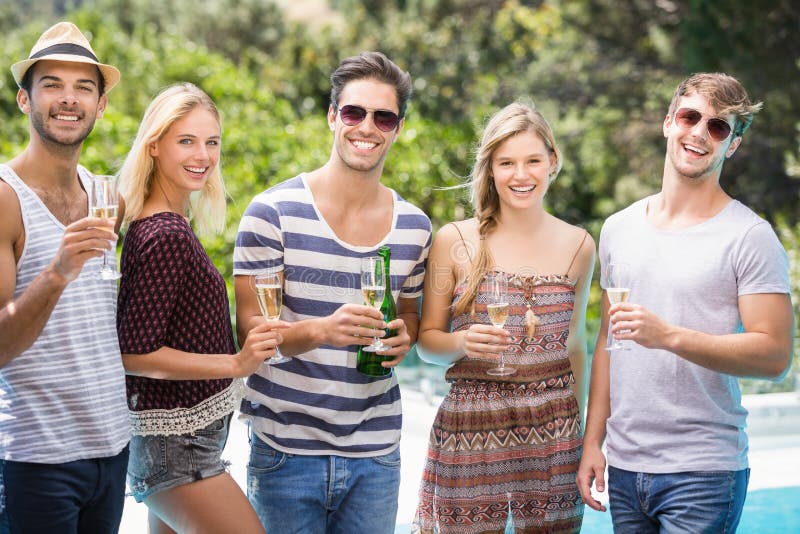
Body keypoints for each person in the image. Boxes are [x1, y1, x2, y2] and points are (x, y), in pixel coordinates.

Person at [576, 73, 794, 533]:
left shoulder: (750, 237)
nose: (699, 132)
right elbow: (607, 345)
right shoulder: (619, 228)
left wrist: (670, 336)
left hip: (704, 471)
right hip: (626, 467)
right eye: (690, 116)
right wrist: (593, 440)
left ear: (731, 146)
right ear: (668, 122)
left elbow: (775, 356)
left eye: (718, 127)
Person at [233, 51, 432, 533]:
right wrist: (323, 330)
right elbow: (253, 333)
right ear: (332, 117)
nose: (367, 127)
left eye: (383, 116)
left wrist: (406, 338)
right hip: (285, 450)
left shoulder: (415, 228)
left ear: (397, 128)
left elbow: (412, 321)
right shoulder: (271, 213)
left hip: (377, 457)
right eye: (353, 112)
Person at [413, 102, 595, 533]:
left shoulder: (580, 245)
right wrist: (461, 344)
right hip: (470, 431)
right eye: (507, 163)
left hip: (555, 435)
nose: (521, 174)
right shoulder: (453, 240)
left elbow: (575, 348)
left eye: (533, 160)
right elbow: (427, 342)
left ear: (553, 162)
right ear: (490, 169)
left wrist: (584, 437)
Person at [116, 83, 285, 533]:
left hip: (179, 445)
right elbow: (133, 354)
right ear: (154, 146)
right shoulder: (165, 234)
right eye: (186, 140)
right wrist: (236, 361)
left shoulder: (158, 224)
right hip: (178, 448)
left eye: (212, 142)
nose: (203, 155)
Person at [0, 22, 130, 532]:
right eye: (51, 84)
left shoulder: (107, 198)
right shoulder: (6, 199)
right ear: (24, 100)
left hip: (112, 447)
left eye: (84, 87)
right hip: (35, 460)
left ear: (100, 106)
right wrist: (57, 272)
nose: (68, 99)